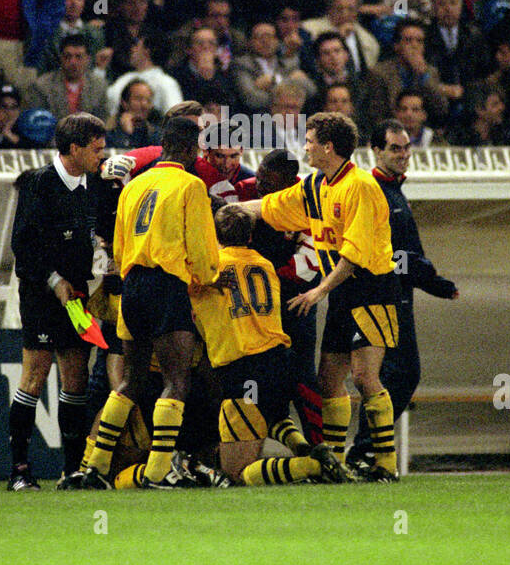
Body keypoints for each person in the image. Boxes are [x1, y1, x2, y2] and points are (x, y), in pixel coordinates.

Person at [237, 112, 402, 480]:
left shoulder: (360, 186)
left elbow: (354, 254)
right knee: (329, 378)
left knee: (364, 376)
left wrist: (318, 291)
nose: (306, 147)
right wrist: (229, 209)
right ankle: (336, 464)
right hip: (341, 291)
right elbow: (272, 207)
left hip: (371, 288)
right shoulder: (315, 186)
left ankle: (386, 466)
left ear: (328, 147)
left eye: (310, 140)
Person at [79, 117, 222, 489]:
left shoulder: (135, 185)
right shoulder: (191, 185)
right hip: (167, 286)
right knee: (177, 380)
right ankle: (160, 472)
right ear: (192, 151)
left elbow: (120, 245)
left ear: (164, 146)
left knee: (130, 379)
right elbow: (203, 250)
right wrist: (207, 280)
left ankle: (93, 467)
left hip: (133, 286)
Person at [190, 205, 349, 485]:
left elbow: (183, 287)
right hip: (278, 360)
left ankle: (311, 466)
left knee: (236, 474)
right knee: (272, 414)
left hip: (242, 368)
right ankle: (312, 450)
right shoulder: (264, 265)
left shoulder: (210, 267)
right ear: (250, 237)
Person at [7, 113, 108, 491]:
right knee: (35, 375)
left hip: (78, 296)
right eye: (96, 149)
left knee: (77, 377)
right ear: (75, 149)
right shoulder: (39, 184)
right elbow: (23, 246)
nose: (102, 155)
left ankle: (71, 470)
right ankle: (19, 472)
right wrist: (54, 280)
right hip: (40, 295)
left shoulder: (94, 186)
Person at [349, 121, 457, 470]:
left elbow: (405, 254)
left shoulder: (394, 190)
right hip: (381, 296)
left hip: (398, 294)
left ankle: (364, 450)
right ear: (375, 151)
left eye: (406, 147)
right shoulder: (374, 191)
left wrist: (426, 278)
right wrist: (434, 281)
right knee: (398, 374)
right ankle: (364, 450)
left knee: (395, 375)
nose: (404, 154)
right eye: (395, 148)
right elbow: (394, 254)